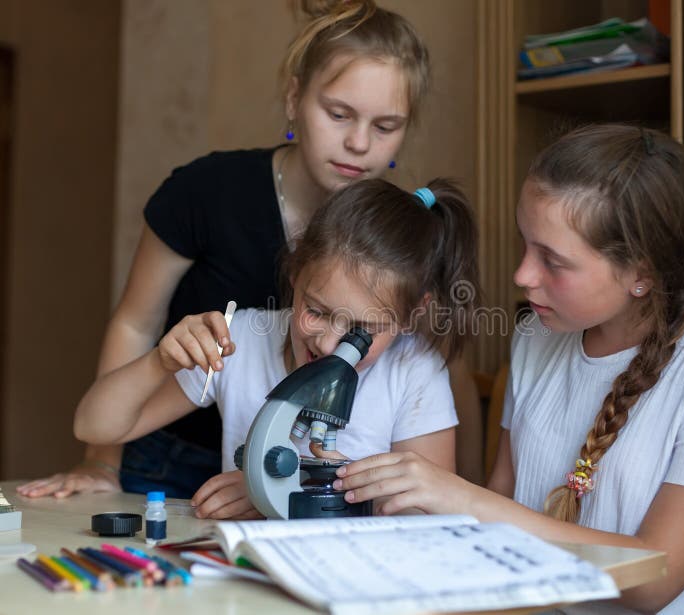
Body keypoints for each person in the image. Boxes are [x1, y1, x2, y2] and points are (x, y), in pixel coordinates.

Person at [18, 0, 483, 500]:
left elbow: (440, 386)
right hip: (174, 451)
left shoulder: (406, 247)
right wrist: (101, 463)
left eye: (386, 126)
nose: (359, 143)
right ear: (294, 99)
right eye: (339, 114)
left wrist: (469, 496)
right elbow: (133, 330)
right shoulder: (208, 196)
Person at [331, 125, 684, 613]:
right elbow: (504, 507)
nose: (522, 275)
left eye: (553, 261)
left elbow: (654, 578)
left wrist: (462, 500)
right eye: (525, 244)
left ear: (641, 273)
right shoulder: (537, 334)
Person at [74, 177, 478, 519]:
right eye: (316, 311)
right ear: (296, 271)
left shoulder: (414, 371)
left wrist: (273, 492)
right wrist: (159, 361)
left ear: (411, 315)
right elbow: (94, 425)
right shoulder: (241, 340)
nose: (328, 342)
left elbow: (428, 518)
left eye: (361, 329)